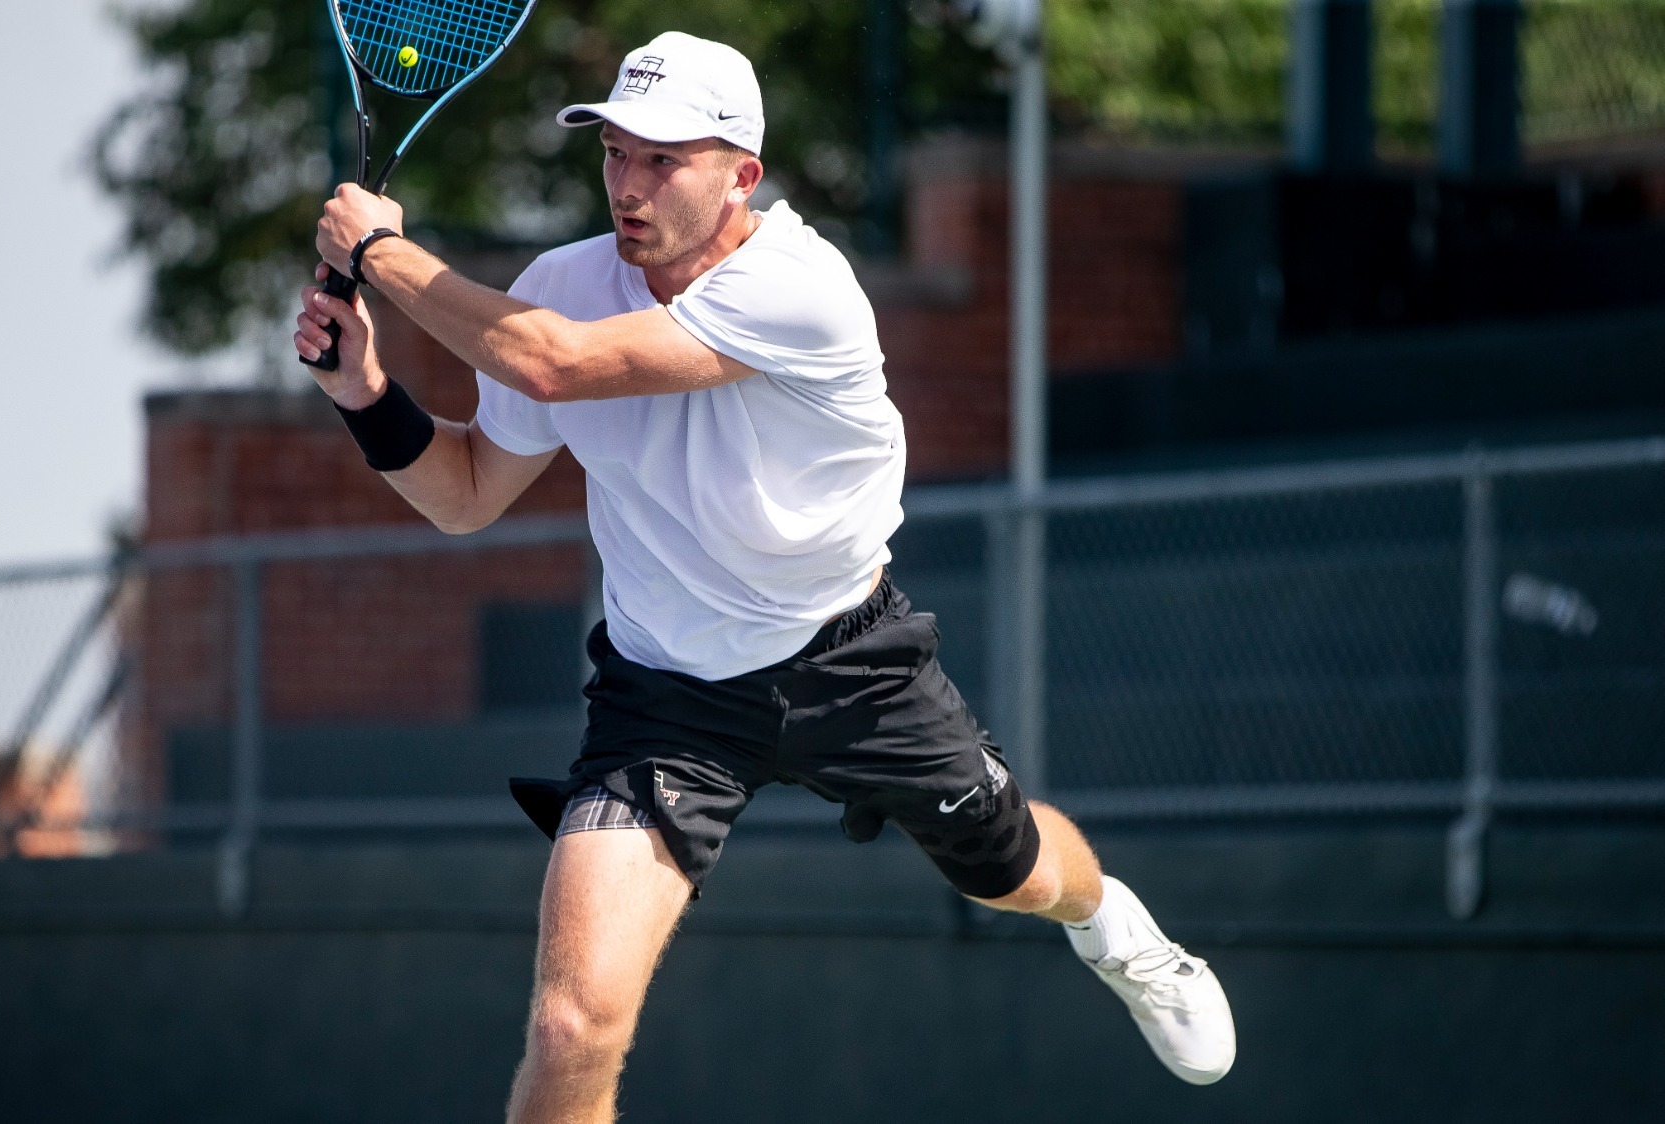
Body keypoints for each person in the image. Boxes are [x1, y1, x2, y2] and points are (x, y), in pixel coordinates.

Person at [294, 31, 1236, 1123]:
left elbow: (552, 361)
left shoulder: (799, 288)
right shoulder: (558, 285)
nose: (628, 184)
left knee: (1013, 866)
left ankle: (1116, 927)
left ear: (741, 174)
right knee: (569, 1024)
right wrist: (364, 392)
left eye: (663, 159)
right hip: (663, 701)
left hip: (850, 662)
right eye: (613, 153)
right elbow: (464, 492)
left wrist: (379, 253)